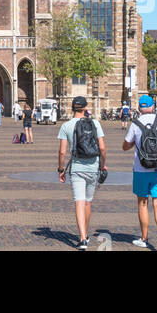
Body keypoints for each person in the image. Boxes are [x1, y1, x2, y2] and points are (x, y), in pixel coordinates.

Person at [122, 93, 157, 251]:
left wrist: (134, 144)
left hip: (141, 168)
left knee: (142, 203)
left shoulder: (135, 124)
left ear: (139, 108)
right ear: (153, 107)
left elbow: (125, 146)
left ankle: (144, 238)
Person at [57, 96, 106, 250]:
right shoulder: (95, 123)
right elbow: (103, 148)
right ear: (85, 108)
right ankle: (85, 233)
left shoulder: (66, 125)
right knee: (87, 202)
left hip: (77, 168)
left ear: (72, 108)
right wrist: (103, 166)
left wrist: (60, 169)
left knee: (79, 201)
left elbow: (62, 152)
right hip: (93, 167)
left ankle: (83, 238)